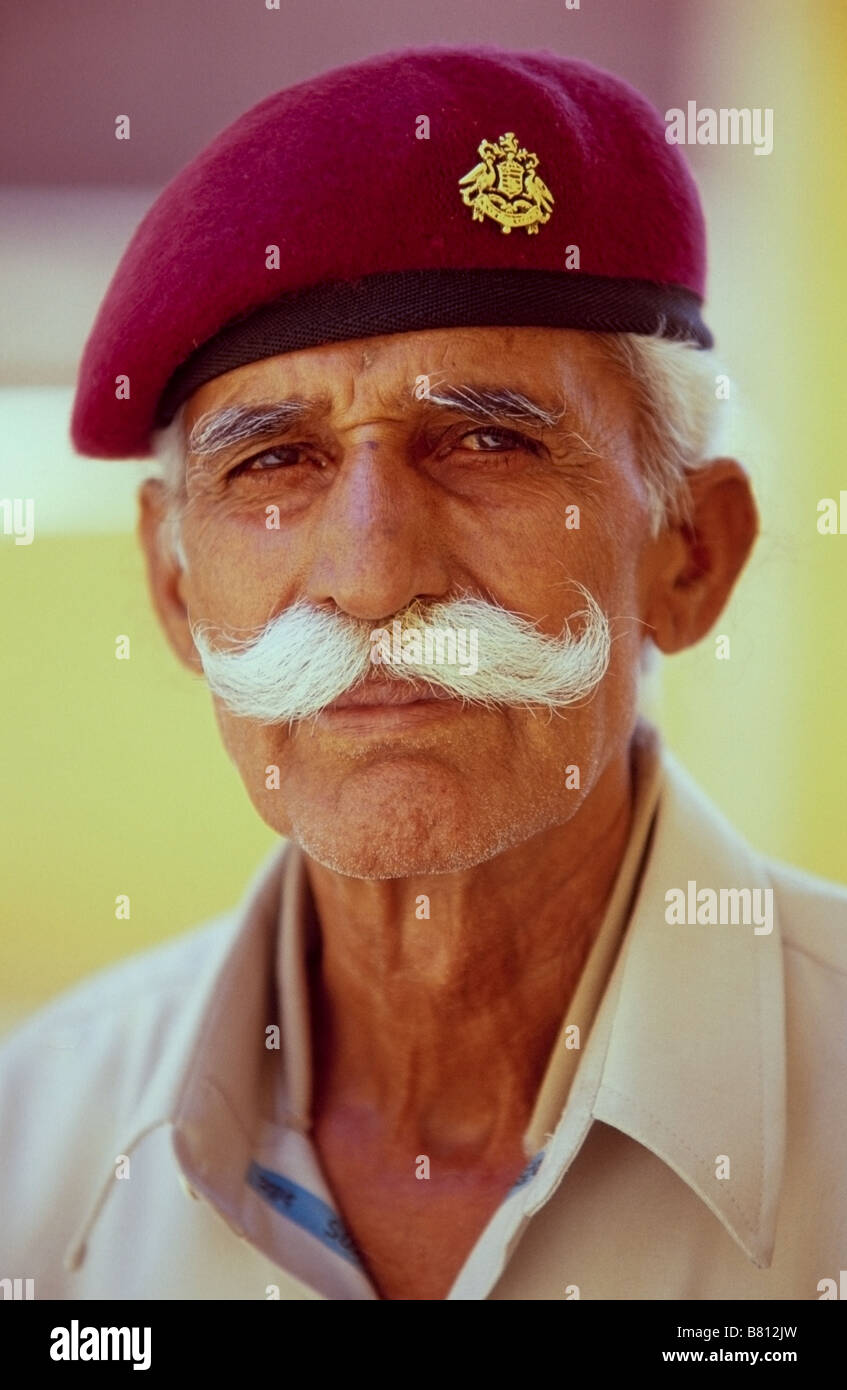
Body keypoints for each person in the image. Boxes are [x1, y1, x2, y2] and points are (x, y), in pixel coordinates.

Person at [1, 45, 845, 1302]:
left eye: (487, 439)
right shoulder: (36, 1144)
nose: (372, 574)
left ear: (691, 554)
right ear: (175, 588)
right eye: (274, 462)